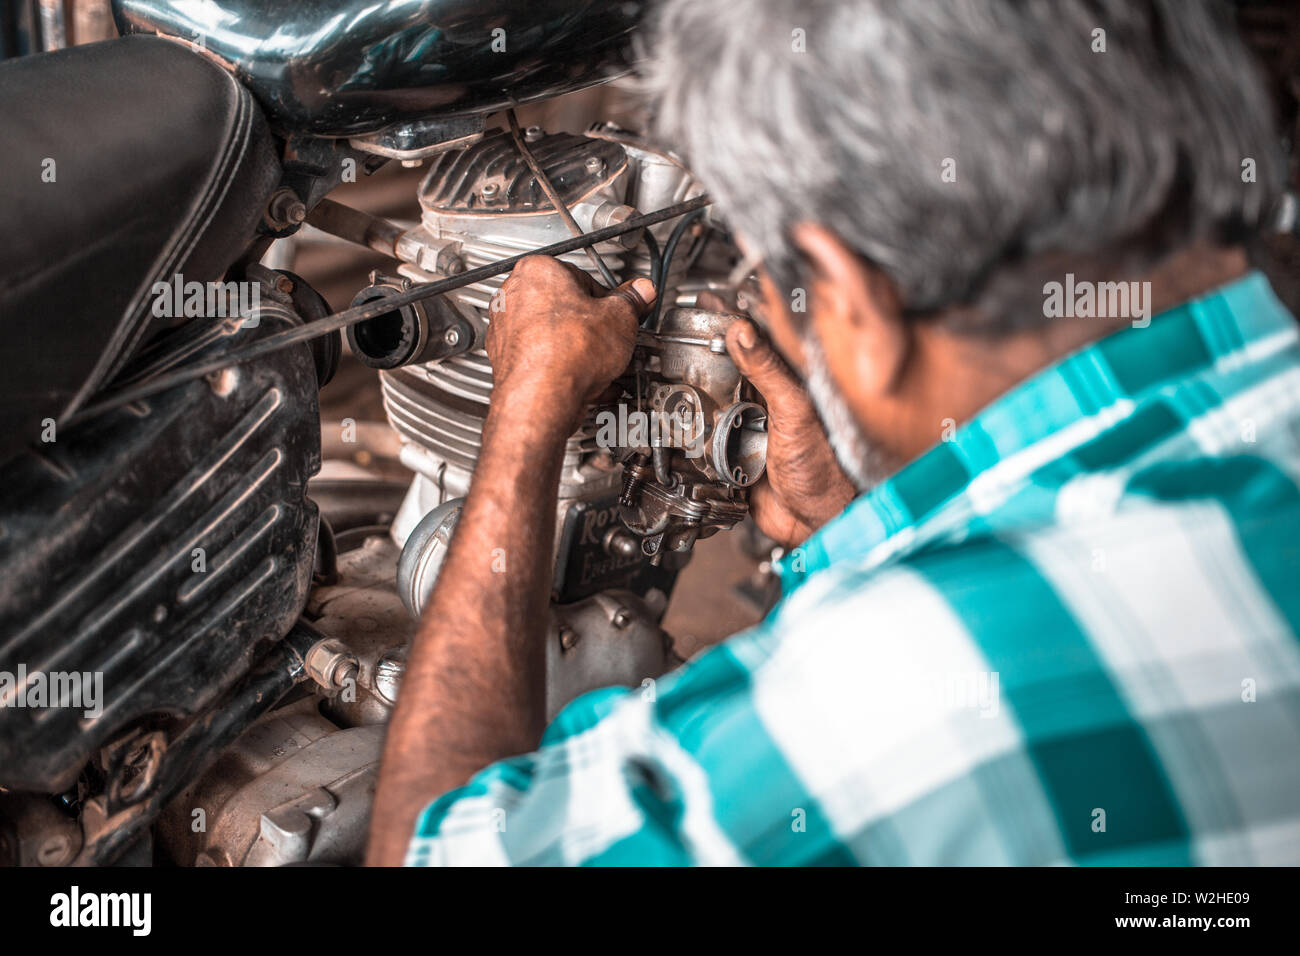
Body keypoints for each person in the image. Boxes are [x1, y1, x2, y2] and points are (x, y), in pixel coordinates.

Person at [367, 0, 1300, 865]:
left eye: (771, 288)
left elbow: (434, 845)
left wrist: (527, 406)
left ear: (850, 300)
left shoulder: (901, 699)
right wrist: (860, 525)